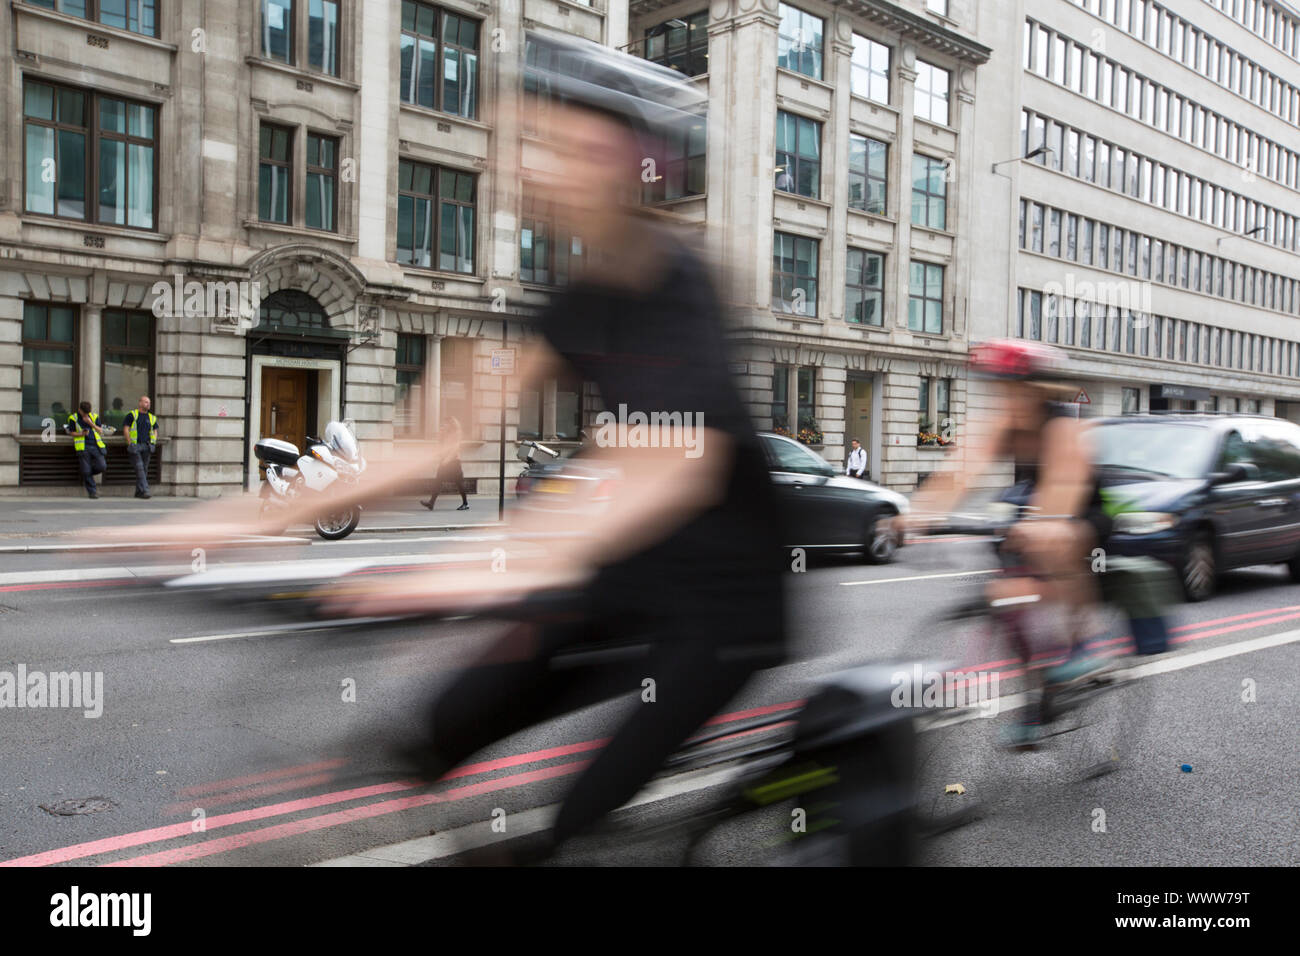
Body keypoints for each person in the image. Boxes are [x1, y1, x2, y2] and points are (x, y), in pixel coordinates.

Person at [334, 33, 787, 862]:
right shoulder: (575, 299)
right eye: (529, 143)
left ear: (637, 165)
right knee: (439, 731)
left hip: (725, 608)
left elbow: (661, 467)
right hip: (626, 581)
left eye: (563, 146)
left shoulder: (681, 288)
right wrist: (219, 526)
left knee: (576, 828)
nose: (531, 165)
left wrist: (461, 570)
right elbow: (437, 435)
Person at [898, 339, 1111, 745]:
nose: (1006, 398)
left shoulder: (1065, 427)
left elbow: (1064, 485)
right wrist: (915, 514)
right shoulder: (1003, 425)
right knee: (1004, 596)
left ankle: (1085, 644)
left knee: (1061, 538)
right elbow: (958, 474)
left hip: (1084, 514)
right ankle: (1038, 701)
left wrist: (1045, 522)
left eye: (1014, 389)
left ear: (1038, 390)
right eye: (1000, 389)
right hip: (1033, 515)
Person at [420, 416, 469, 511]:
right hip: (445, 461)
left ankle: (465, 503)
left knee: (459, 483)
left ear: (451, 424)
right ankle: (431, 503)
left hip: (454, 462)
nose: (444, 425)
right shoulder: (445, 434)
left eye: (446, 423)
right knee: (438, 481)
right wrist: (440, 436)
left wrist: (447, 460)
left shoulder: (456, 434)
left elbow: (455, 449)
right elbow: (441, 447)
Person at [65, 401, 107, 500]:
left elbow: (100, 431)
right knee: (86, 469)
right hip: (83, 447)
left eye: (88, 413)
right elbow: (71, 432)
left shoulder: (94, 417)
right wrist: (81, 434)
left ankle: (87, 473)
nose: (86, 415)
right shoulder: (73, 418)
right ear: (80, 410)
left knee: (102, 466)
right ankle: (92, 492)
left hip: (96, 446)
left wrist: (90, 423)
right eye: (84, 413)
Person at [122, 395, 158, 499]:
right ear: (140, 403)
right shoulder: (132, 415)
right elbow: (126, 429)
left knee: (144, 470)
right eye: (146, 402)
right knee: (140, 468)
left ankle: (139, 492)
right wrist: (130, 443)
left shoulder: (152, 417)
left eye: (149, 402)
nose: (148, 404)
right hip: (135, 446)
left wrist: (153, 443)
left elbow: (155, 431)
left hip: (147, 446)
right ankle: (145, 490)